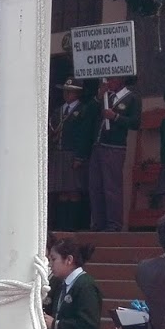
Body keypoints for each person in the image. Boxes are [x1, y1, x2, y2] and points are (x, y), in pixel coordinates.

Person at [89, 75, 140, 230]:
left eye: (112, 79)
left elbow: (135, 123)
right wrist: (99, 96)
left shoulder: (131, 98)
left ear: (121, 79)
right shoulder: (106, 97)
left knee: (112, 187)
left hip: (114, 147)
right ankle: (98, 223)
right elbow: (88, 115)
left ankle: (114, 224)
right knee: (96, 187)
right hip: (98, 146)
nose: (108, 82)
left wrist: (116, 117)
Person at [48, 79, 96, 230]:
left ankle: (73, 226)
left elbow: (85, 135)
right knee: (61, 190)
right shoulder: (58, 111)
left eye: (70, 91)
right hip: (59, 153)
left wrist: (80, 156)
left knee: (73, 190)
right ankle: (62, 226)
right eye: (65, 90)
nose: (67, 93)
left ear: (77, 93)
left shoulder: (83, 110)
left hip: (73, 153)